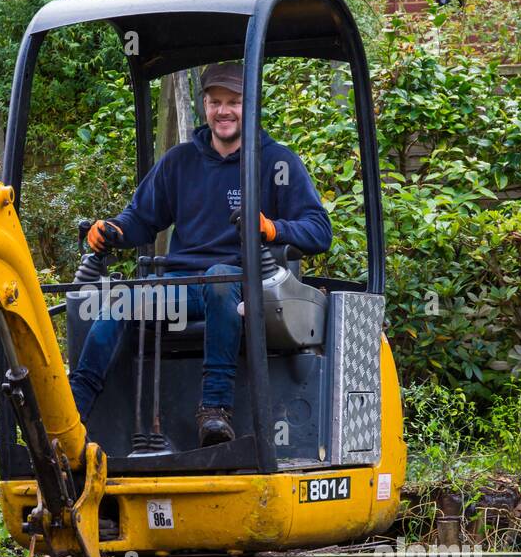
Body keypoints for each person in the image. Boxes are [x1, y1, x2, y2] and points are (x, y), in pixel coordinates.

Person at [69, 62, 332, 447]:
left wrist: (273, 229)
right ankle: (71, 414)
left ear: (251, 105)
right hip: (182, 286)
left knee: (222, 279)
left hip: (246, 289)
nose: (223, 111)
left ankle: (214, 411)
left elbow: (319, 230)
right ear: (204, 107)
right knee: (118, 301)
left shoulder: (277, 163)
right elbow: (141, 218)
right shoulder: (179, 162)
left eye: (234, 102)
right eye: (215, 102)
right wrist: (113, 230)